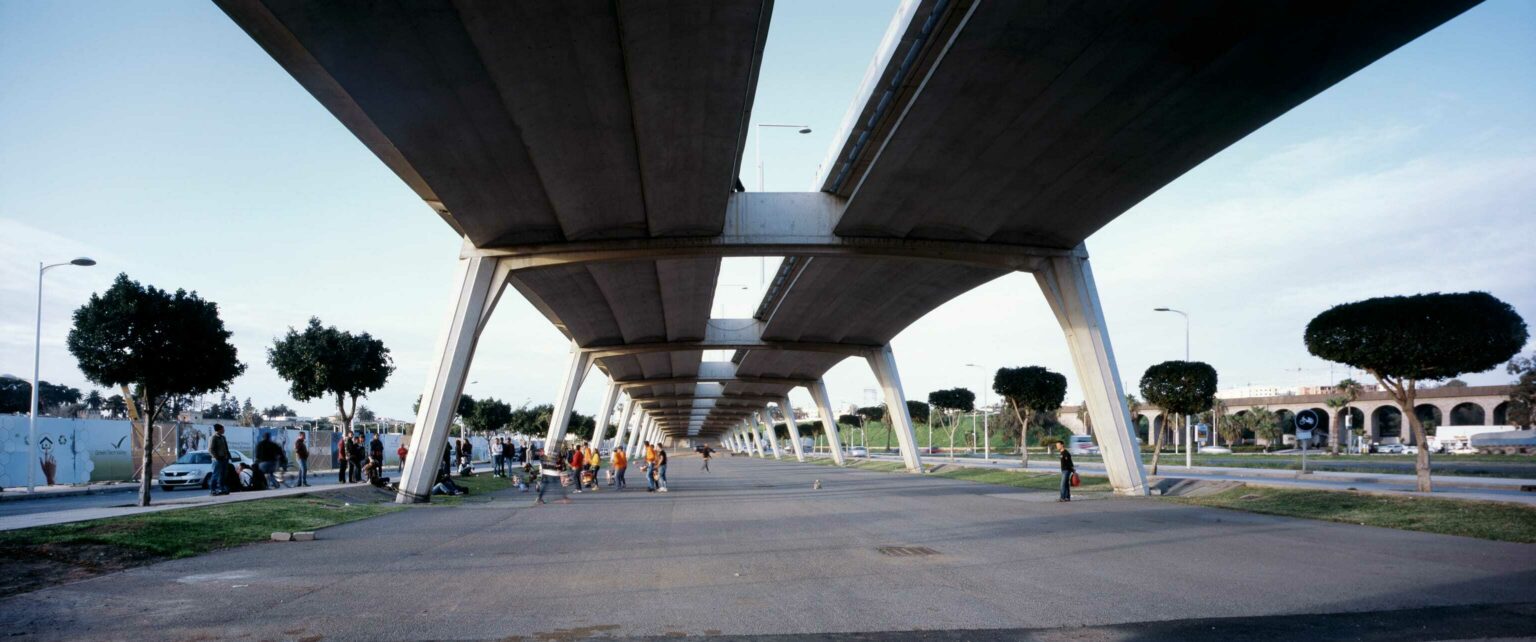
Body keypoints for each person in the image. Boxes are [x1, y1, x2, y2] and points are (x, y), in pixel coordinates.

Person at [209, 423, 231, 496]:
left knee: (223, 475)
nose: (224, 430)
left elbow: (226, 448)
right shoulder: (214, 437)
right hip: (217, 460)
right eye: (223, 429)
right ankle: (213, 489)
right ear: (219, 429)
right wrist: (217, 457)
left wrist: (228, 455)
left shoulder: (223, 437)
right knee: (215, 475)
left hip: (224, 459)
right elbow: (211, 449)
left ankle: (222, 488)